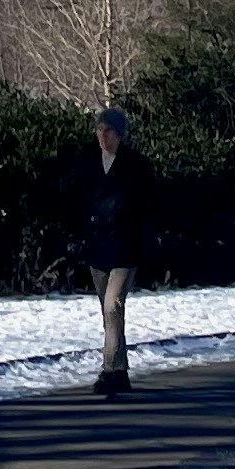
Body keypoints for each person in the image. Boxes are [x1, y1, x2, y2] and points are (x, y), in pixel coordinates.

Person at [83, 106, 154, 395]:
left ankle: (109, 369)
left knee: (113, 305)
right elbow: (77, 198)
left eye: (109, 131)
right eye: (99, 130)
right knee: (109, 313)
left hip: (125, 249)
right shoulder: (89, 163)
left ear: (120, 134)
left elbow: (149, 205)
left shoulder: (136, 166)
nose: (103, 136)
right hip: (98, 249)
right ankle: (120, 371)